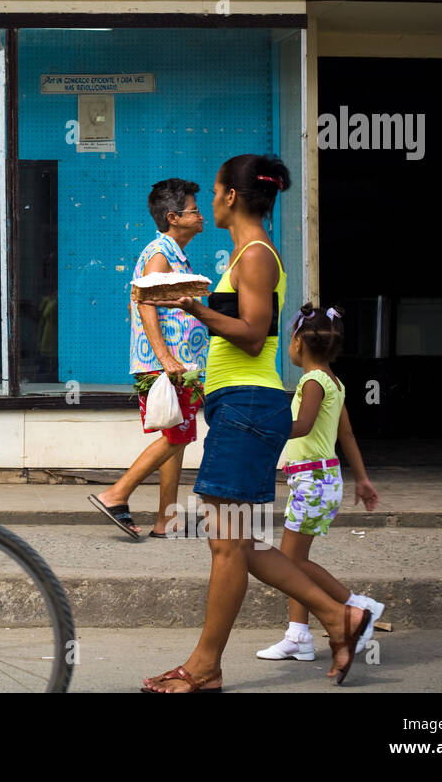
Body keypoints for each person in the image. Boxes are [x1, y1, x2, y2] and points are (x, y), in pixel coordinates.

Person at [139, 154, 370, 692]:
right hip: (239, 405)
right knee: (239, 541)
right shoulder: (246, 253)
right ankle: (342, 618)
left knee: (227, 543)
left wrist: (193, 308)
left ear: (231, 197)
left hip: (247, 405)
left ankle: (204, 668)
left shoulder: (257, 255)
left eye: (215, 192)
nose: (211, 201)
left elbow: (251, 332)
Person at [257, 303, 384, 662]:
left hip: (313, 479)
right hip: (320, 479)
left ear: (298, 343)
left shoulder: (313, 381)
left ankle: (357, 605)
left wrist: (263, 430)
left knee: (288, 562)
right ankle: (298, 636)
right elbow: (347, 434)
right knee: (294, 561)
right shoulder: (335, 382)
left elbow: (303, 426)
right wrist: (361, 478)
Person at [89, 178, 207, 539]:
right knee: (179, 435)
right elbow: (145, 303)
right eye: (194, 210)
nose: (201, 215)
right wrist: (165, 356)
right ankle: (116, 494)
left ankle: (165, 520)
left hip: (177, 363)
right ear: (173, 217)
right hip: (167, 364)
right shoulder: (160, 253)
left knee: (177, 434)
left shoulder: (173, 253)